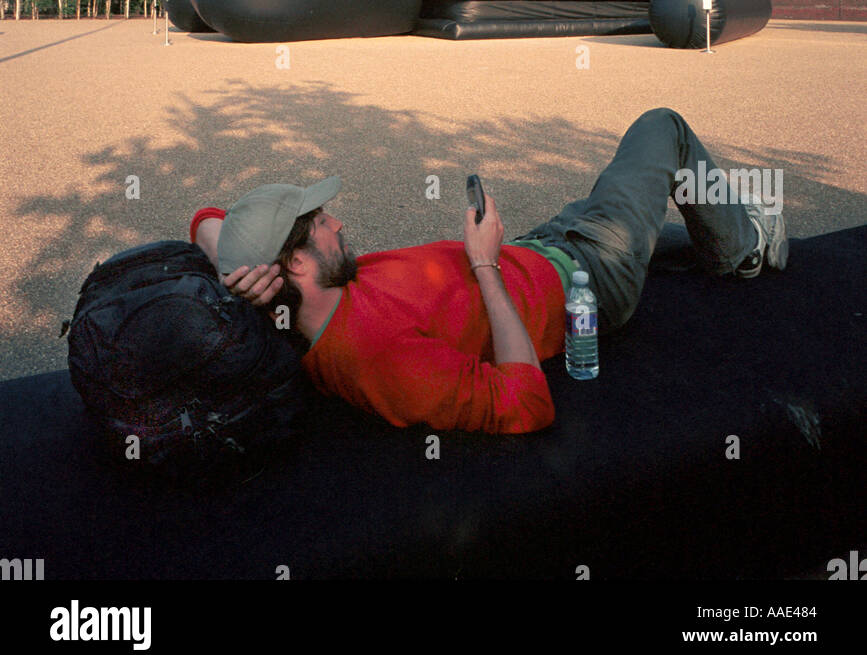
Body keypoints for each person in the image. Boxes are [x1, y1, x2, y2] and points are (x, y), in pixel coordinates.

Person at [190, 108, 788, 435]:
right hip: (589, 279)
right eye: (321, 221)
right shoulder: (379, 355)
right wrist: (483, 262)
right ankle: (747, 249)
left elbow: (207, 218)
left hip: (543, 246)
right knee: (662, 130)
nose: (338, 223)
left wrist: (232, 270)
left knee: (659, 215)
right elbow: (526, 404)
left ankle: (722, 232)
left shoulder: (323, 291)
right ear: (296, 261)